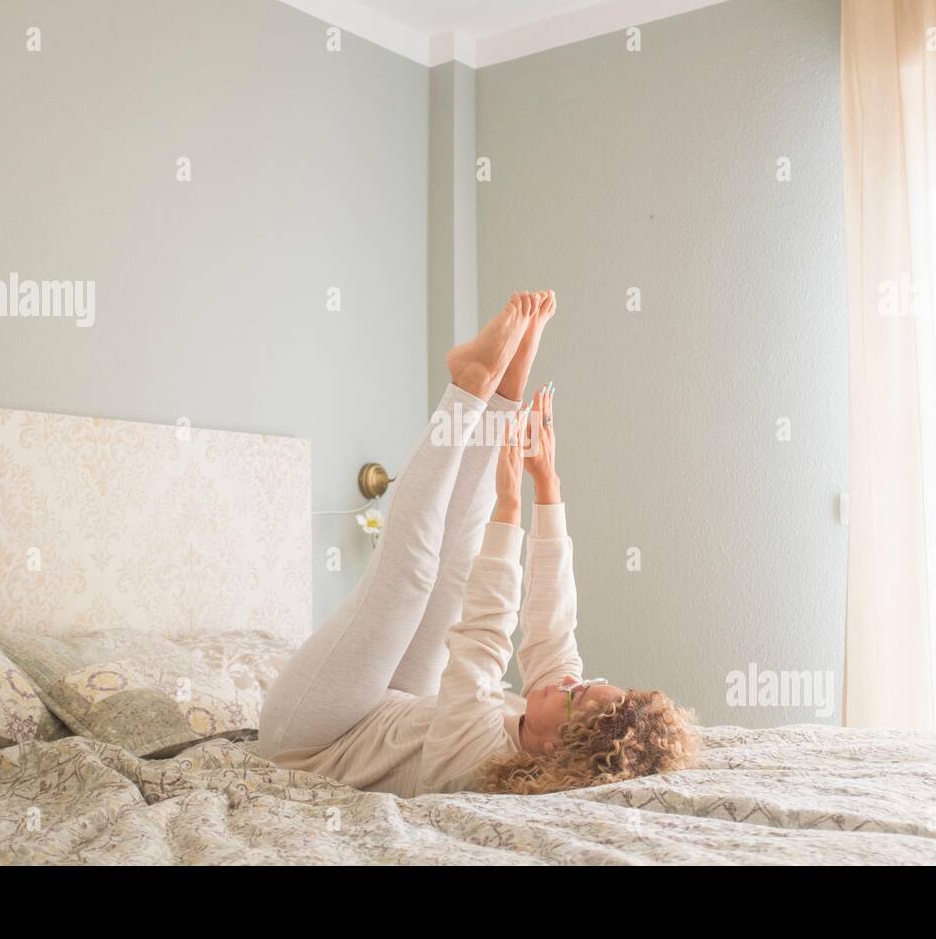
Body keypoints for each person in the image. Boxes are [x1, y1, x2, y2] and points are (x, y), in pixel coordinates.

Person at [258, 290, 696, 796]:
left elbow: (483, 636)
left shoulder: (477, 761)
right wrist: (547, 485)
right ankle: (503, 394)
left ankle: (467, 390)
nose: (568, 683)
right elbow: (553, 633)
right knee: (453, 574)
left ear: (554, 747)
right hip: (392, 707)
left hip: (309, 743)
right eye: (585, 683)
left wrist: (509, 510)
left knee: (412, 579)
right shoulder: (546, 725)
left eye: (573, 697)